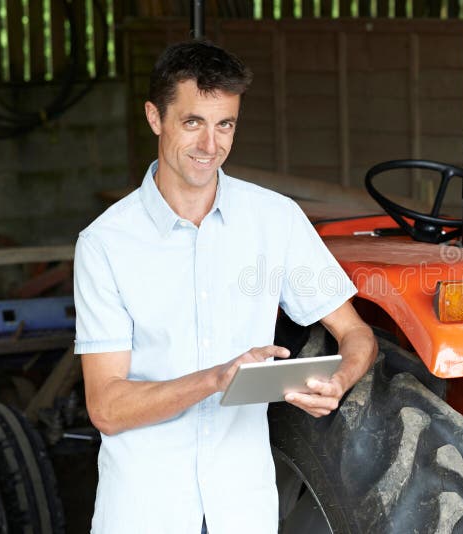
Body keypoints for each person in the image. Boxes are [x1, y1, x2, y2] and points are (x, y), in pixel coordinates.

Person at [73, 40, 377, 534]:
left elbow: (356, 334)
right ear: (155, 118)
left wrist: (340, 381)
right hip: (144, 513)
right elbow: (106, 407)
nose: (210, 146)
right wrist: (216, 379)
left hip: (244, 511)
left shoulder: (275, 220)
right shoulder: (105, 244)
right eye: (193, 122)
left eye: (225, 125)